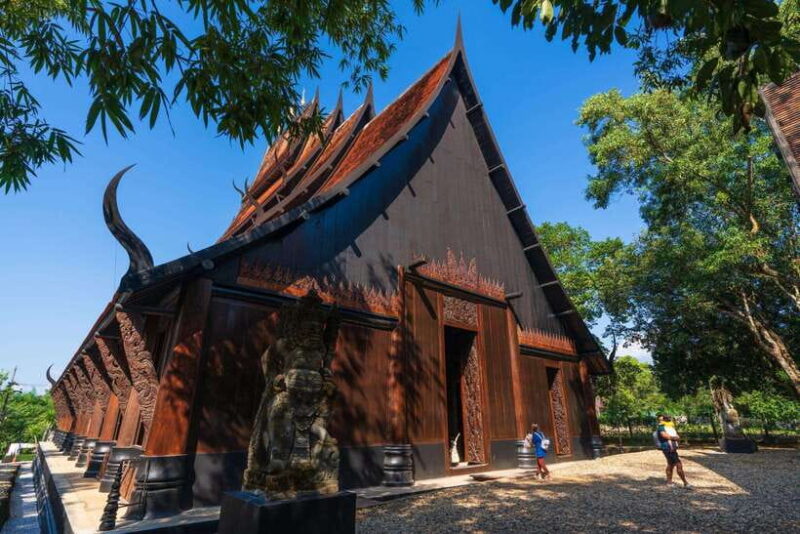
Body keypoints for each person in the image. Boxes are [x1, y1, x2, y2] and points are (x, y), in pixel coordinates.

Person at [657, 415, 692, 489]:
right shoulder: (661, 427)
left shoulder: (670, 427)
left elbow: (676, 436)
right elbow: (665, 436)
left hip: (672, 448)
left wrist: (676, 438)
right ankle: (685, 483)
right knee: (678, 464)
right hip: (668, 448)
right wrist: (674, 438)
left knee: (670, 464)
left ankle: (669, 482)